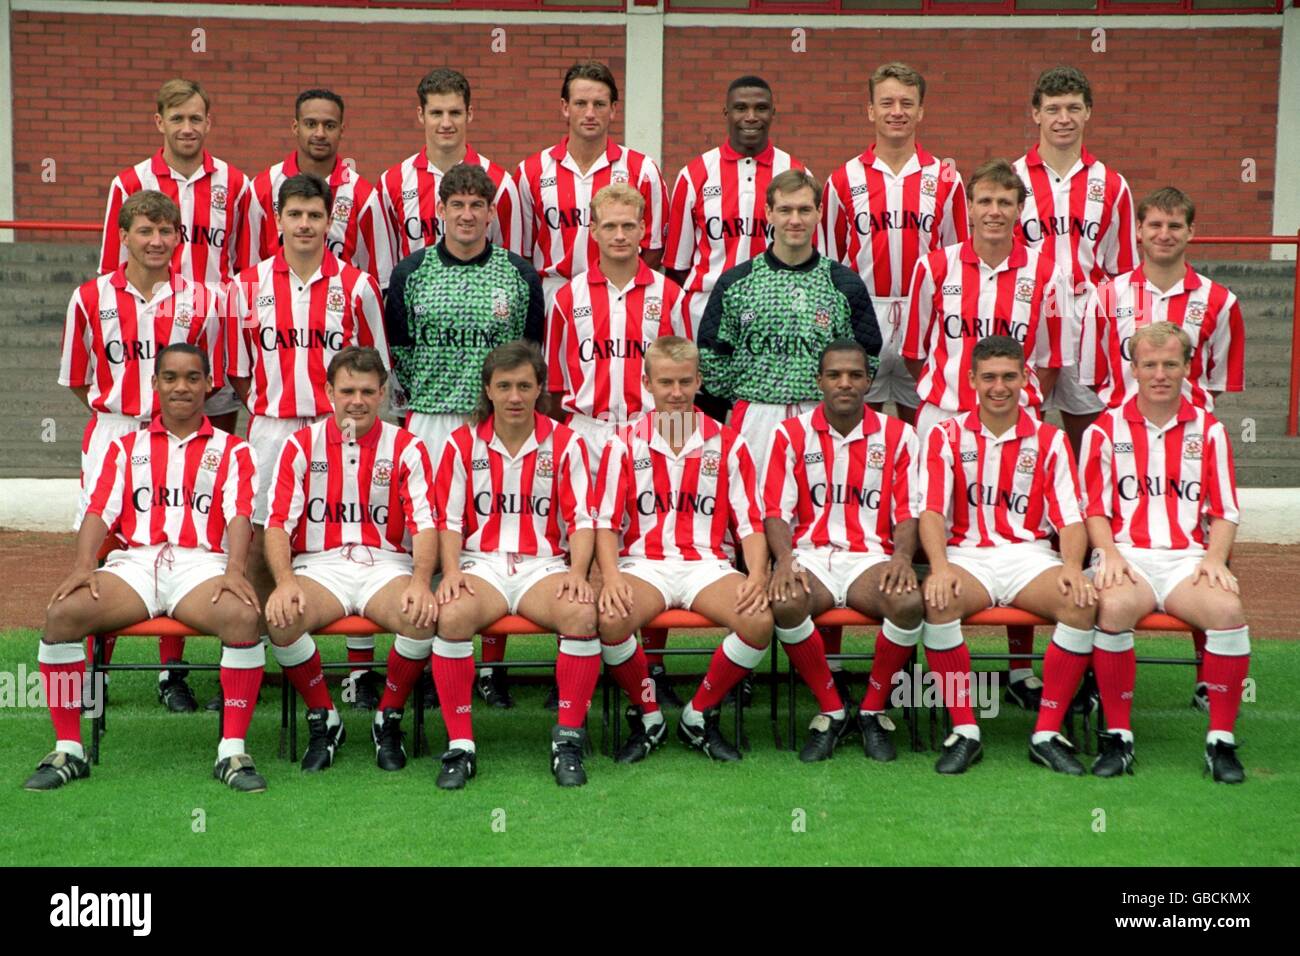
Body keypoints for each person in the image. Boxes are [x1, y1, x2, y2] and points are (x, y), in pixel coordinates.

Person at [24, 343, 267, 792]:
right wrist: (83, 565)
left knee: (242, 617)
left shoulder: (235, 450)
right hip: (135, 564)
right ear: (155, 383)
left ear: (209, 384)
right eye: (170, 377)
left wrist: (235, 569)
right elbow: (99, 511)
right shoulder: (124, 447)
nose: (181, 387)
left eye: (192, 377)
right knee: (62, 615)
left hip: (200, 566)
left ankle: (232, 750)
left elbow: (239, 514)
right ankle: (69, 749)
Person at [901, 159, 1073, 710]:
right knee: (938, 536)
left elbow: (1048, 359)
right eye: (985, 201)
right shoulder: (934, 266)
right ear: (969, 208)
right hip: (944, 416)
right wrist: (954, 397)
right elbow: (914, 350)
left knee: (1018, 531)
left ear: (1020, 210)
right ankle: (922, 668)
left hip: (1012, 417)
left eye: (1005, 202)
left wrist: (1016, 402)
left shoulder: (1047, 272)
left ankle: (1021, 670)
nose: (994, 211)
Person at [385, 163, 546, 707]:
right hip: (430, 419)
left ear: (491, 212)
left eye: (478, 205)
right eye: (457, 204)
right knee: (428, 540)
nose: (468, 214)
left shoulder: (518, 274)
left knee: (493, 537)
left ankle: (491, 669)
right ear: (440, 210)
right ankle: (432, 661)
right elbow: (400, 352)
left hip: (495, 422)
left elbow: (528, 352)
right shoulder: (412, 272)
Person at [227, 173, 390, 707]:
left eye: (314, 215)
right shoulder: (246, 285)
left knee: (353, 533)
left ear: (329, 221)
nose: (304, 224)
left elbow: (375, 364)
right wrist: (276, 404)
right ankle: (256, 658)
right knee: (261, 538)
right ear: (278, 219)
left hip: (338, 427)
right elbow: (239, 370)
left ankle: (360, 673)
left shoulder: (357, 285)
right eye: (294, 214)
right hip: (271, 428)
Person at [63, 190, 225, 711]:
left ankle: (171, 673)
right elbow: (78, 379)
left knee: (175, 538)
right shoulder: (89, 297)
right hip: (113, 432)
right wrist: (124, 409)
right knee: (106, 546)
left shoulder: (201, 301)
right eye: (145, 230)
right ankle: (96, 672)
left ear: (178, 238)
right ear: (123, 236)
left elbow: (210, 379)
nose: (156, 241)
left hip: (177, 435)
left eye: (166, 231)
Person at [916, 336, 1097, 775]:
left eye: (1009, 377)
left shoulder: (1051, 440)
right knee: (938, 601)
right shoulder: (945, 435)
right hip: (967, 556)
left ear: (1024, 380)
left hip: (1028, 557)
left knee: (1079, 602)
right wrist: (939, 568)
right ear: (972, 380)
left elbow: (1070, 518)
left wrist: (1073, 567)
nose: (999, 387)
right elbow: (932, 511)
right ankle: (965, 730)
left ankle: (1047, 732)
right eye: (990, 377)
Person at [1080, 323, 1248, 783]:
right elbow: (1092, 508)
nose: (1160, 374)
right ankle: (1118, 736)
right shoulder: (1103, 430)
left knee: (1228, 611)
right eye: (1149, 365)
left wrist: (1214, 559)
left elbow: (1225, 510)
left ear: (1187, 367)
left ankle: (1221, 741)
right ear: (1133, 369)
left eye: (1170, 364)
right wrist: (1108, 553)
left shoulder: (1210, 430)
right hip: (1126, 555)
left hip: (1185, 561)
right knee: (1113, 607)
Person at [593, 336, 771, 764]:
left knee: (759, 621)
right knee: (610, 619)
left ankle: (699, 713)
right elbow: (605, 523)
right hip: (644, 564)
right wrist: (611, 578)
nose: (676, 392)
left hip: (706, 565)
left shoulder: (729, 442)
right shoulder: (623, 442)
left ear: (699, 381)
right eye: (666, 382)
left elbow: (750, 523)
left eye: (685, 382)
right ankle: (649, 713)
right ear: (647, 384)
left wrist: (758, 575)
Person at [430, 342, 599, 789]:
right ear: (488, 390)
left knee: (582, 614)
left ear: (540, 388)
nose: (514, 396)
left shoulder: (567, 441)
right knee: (452, 615)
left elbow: (582, 519)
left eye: (525, 386)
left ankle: (567, 742)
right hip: (481, 565)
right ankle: (461, 746)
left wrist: (578, 575)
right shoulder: (461, 443)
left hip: (542, 566)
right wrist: (451, 573)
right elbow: (448, 520)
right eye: (504, 386)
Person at [263, 347, 439, 773]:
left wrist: (420, 582)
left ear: (382, 393)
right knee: (282, 619)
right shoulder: (299, 445)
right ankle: (324, 716)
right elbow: (277, 524)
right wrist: (284, 582)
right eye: (347, 391)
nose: (356, 401)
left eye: (367, 391)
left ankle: (388, 716)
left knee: (420, 617)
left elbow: (425, 524)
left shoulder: (407, 447)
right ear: (329, 392)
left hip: (385, 565)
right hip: (320, 566)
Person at [764, 340, 924, 762]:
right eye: (834, 375)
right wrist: (783, 561)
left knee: (908, 602)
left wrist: (902, 558)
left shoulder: (900, 435)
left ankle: (872, 709)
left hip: (870, 558)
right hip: (809, 556)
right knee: (785, 601)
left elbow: (908, 510)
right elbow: (776, 510)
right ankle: (832, 709)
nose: (845, 383)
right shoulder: (789, 433)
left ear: (869, 381)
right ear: (819, 381)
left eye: (855, 375)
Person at [99, 77, 249, 434]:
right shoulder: (130, 183)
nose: (187, 128)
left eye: (195, 119)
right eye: (177, 118)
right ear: (159, 121)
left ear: (208, 122)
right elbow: (110, 269)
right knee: (150, 438)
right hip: (151, 324)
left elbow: (248, 270)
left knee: (214, 443)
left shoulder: (236, 183)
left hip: (215, 326)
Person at [823, 62, 968, 428]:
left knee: (927, 423)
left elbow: (958, 258)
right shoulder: (843, 178)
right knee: (859, 427)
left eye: (907, 103)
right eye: (887, 103)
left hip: (925, 314)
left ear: (921, 111)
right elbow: (829, 261)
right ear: (871, 110)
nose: (897, 112)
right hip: (863, 311)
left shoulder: (946, 177)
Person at [1013, 65, 1136, 458]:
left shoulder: (1112, 184)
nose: (1063, 119)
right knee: (1020, 432)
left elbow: (1124, 273)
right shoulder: (1012, 180)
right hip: (1028, 313)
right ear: (1036, 114)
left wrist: (1124, 332)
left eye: (1073, 108)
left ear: (1088, 112)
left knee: (1091, 442)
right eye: (1053, 109)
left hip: (1088, 317)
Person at [664, 75, 814, 331]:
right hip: (707, 311)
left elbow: (811, 258)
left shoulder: (797, 173)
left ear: (773, 113)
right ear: (726, 112)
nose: (751, 116)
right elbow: (677, 267)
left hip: (778, 311)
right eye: (741, 108)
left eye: (761, 108)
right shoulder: (694, 175)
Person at [516, 61, 668, 304]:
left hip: (619, 296)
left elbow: (655, 247)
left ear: (613, 109)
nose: (589, 113)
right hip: (552, 298)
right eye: (580, 103)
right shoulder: (531, 171)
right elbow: (520, 253)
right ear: (565, 107)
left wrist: (621, 287)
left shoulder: (643, 170)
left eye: (599, 104)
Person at [246, 89, 394, 291]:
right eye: (311, 124)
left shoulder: (364, 196)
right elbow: (249, 270)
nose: (320, 133)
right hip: (273, 306)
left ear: (342, 130)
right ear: (295, 127)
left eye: (329, 126)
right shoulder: (262, 188)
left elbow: (380, 280)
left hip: (340, 307)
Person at [379, 68, 523, 261]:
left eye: (455, 113)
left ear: (469, 114)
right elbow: (386, 269)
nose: (446, 123)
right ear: (421, 115)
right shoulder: (392, 183)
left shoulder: (501, 183)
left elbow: (511, 264)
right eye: (436, 113)